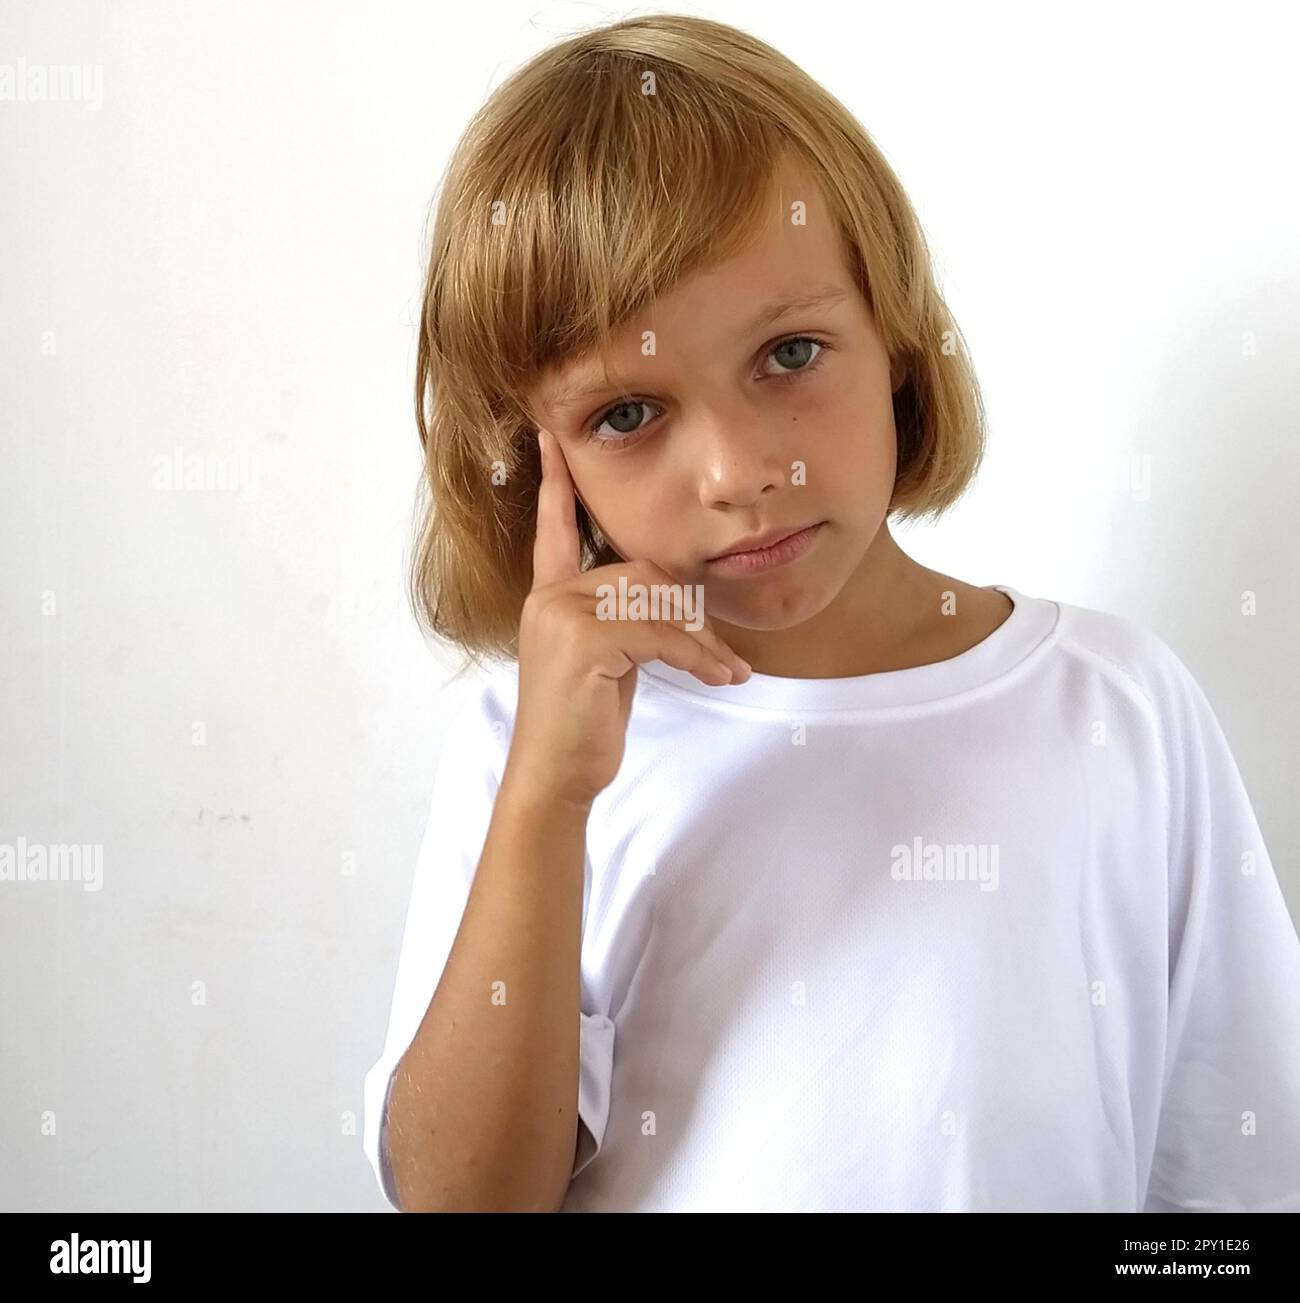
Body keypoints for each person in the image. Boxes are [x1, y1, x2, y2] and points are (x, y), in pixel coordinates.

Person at [362, 13, 1300, 1212]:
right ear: (541, 468)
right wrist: (548, 794)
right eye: (628, 415)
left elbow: (1239, 1168)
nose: (739, 470)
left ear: (897, 337)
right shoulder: (530, 746)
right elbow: (462, 1200)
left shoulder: (1115, 707)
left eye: (789, 353)